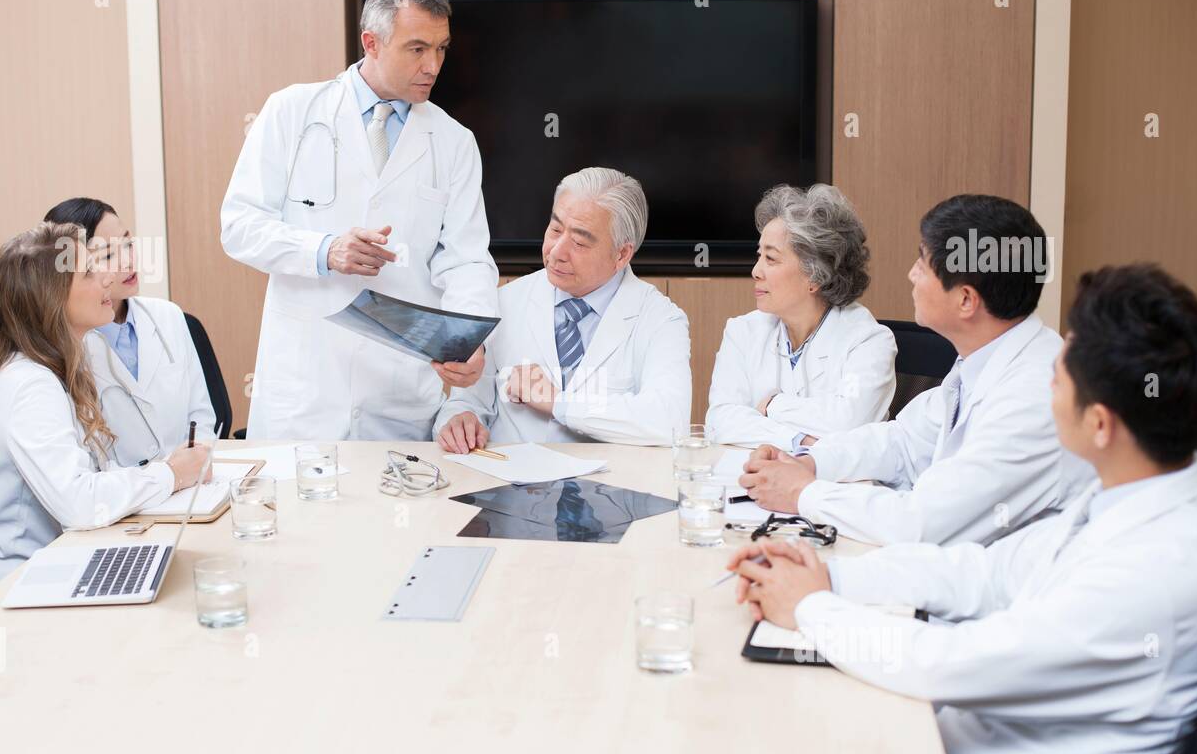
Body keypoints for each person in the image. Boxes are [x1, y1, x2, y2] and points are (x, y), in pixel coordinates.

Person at [729, 264, 1197, 754]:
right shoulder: (1132, 496)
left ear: (1100, 424)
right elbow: (982, 573)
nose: (1050, 372)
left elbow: (953, 663)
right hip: (966, 751)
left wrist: (809, 605)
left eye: (1064, 368)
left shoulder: (1151, 572)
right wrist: (828, 577)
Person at [221, 0, 498, 441]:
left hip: (398, 393)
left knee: (402, 512)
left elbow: (467, 259)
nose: (433, 65)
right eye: (416, 49)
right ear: (371, 42)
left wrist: (468, 341)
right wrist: (324, 250)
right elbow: (239, 226)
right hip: (307, 390)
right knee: (299, 512)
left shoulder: (454, 143)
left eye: (442, 48)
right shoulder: (293, 111)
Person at [739, 194, 1093, 545]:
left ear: (966, 300)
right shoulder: (982, 361)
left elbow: (921, 523)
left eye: (922, 264)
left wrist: (803, 493)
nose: (911, 274)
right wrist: (809, 463)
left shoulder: (1034, 397)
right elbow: (903, 443)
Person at [0, 223, 211, 591]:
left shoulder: (56, 368)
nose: (105, 279)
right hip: (7, 586)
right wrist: (172, 475)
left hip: (54, 563)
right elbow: (78, 503)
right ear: (49, 299)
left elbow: (91, 476)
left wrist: (166, 469)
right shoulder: (30, 385)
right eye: (88, 272)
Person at [433, 167, 690, 450]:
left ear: (621, 254)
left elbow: (669, 422)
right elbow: (467, 400)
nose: (556, 251)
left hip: (611, 489)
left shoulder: (661, 319)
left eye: (579, 242)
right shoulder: (503, 302)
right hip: (510, 484)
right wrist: (460, 419)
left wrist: (559, 402)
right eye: (555, 229)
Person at [705, 183, 896, 448]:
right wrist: (798, 440)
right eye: (759, 255)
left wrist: (773, 405)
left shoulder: (868, 341)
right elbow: (719, 422)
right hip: (755, 480)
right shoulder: (742, 332)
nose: (756, 271)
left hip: (837, 485)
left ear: (815, 276)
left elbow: (849, 423)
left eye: (771, 259)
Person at [45, 197, 216, 466]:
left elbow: (202, 416)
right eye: (108, 255)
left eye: (128, 244)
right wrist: (164, 479)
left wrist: (193, 467)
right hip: (124, 503)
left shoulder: (168, 316)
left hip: (193, 491)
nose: (128, 261)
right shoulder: (65, 349)